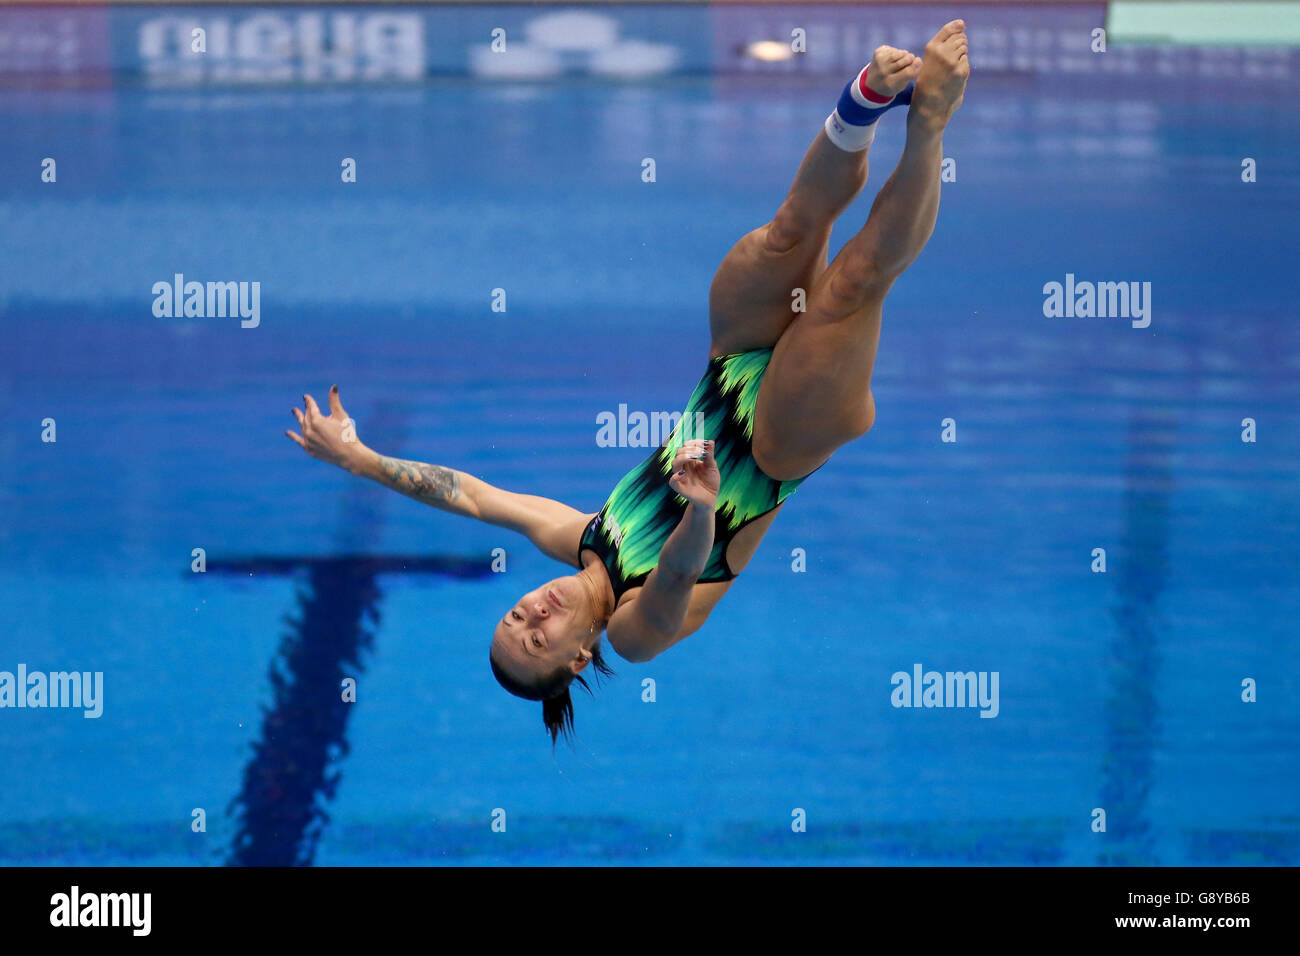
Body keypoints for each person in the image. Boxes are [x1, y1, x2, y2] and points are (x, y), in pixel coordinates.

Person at [286, 21, 971, 745]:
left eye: (516, 617)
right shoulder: (630, 636)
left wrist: (359, 460)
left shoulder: (579, 538)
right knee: (853, 283)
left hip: (730, 365)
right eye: (539, 641)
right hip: (779, 447)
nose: (534, 616)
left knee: (787, 234)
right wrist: (702, 512)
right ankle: (930, 121)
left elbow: (471, 495)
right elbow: (674, 584)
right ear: (579, 660)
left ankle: (865, 102)